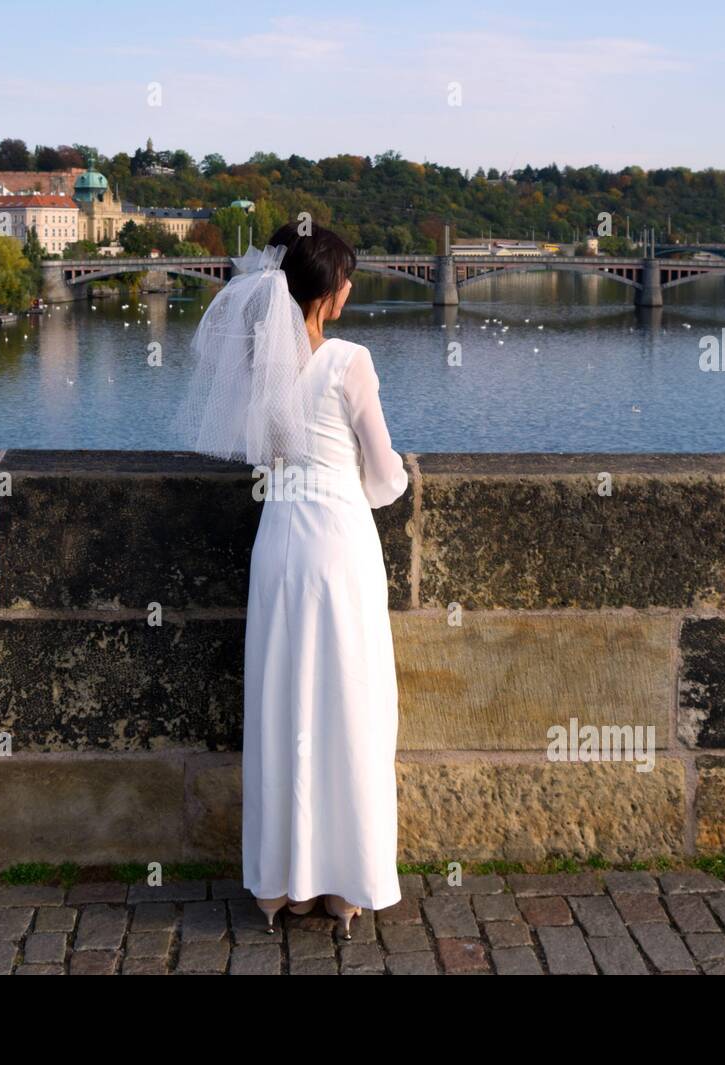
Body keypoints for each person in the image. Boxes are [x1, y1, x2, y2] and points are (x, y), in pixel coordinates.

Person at [172, 223, 408, 940]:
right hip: (338, 546)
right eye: (348, 278)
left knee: (284, 706)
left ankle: (281, 885)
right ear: (328, 290)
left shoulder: (259, 369)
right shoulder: (351, 361)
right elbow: (386, 471)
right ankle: (345, 884)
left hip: (279, 546)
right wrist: (375, 487)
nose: (350, 290)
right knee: (348, 705)